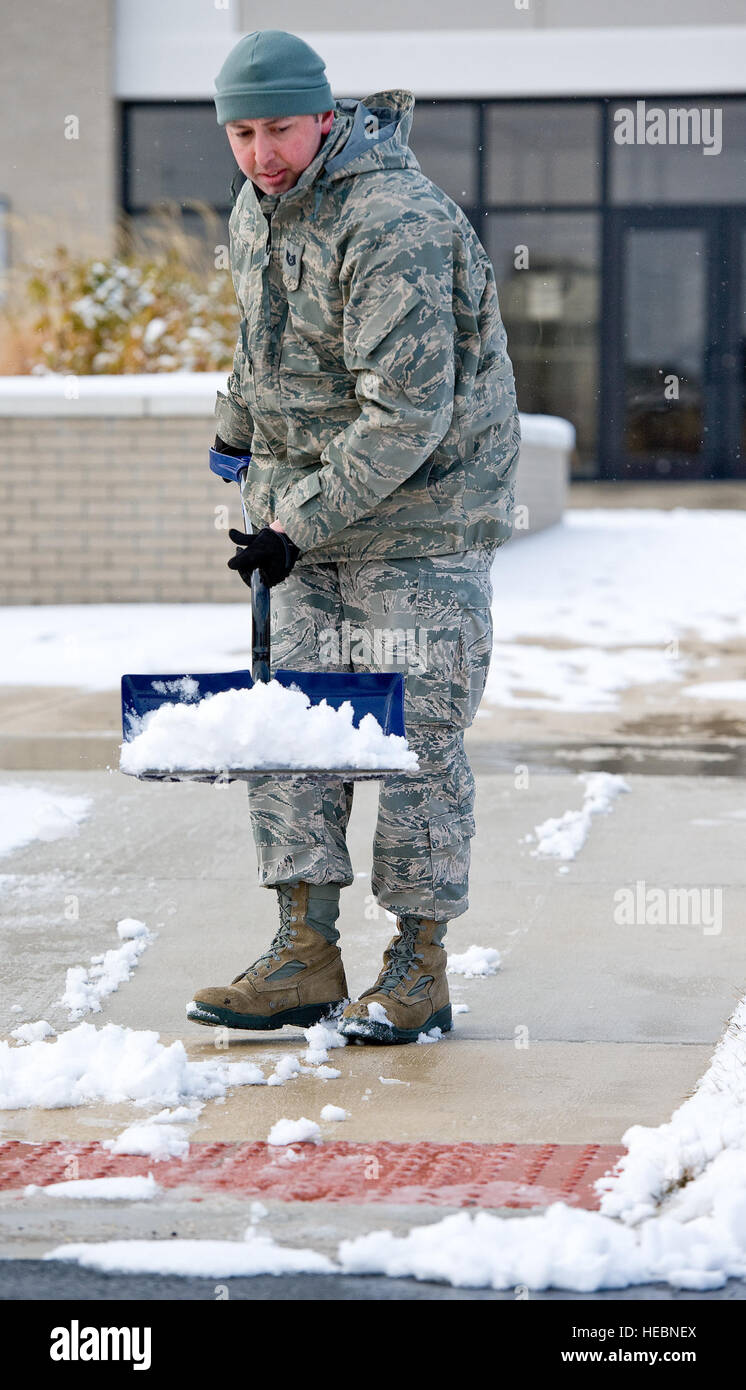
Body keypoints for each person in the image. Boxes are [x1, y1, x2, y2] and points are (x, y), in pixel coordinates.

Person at [188, 29, 520, 1045]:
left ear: (325, 115)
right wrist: (235, 431)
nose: (259, 152)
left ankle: (417, 967)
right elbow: (263, 340)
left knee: (411, 743)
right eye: (241, 132)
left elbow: (403, 418)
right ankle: (303, 953)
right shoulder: (261, 208)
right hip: (306, 517)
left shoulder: (394, 219)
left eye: (278, 127)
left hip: (419, 523)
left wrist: (291, 525)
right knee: (289, 725)